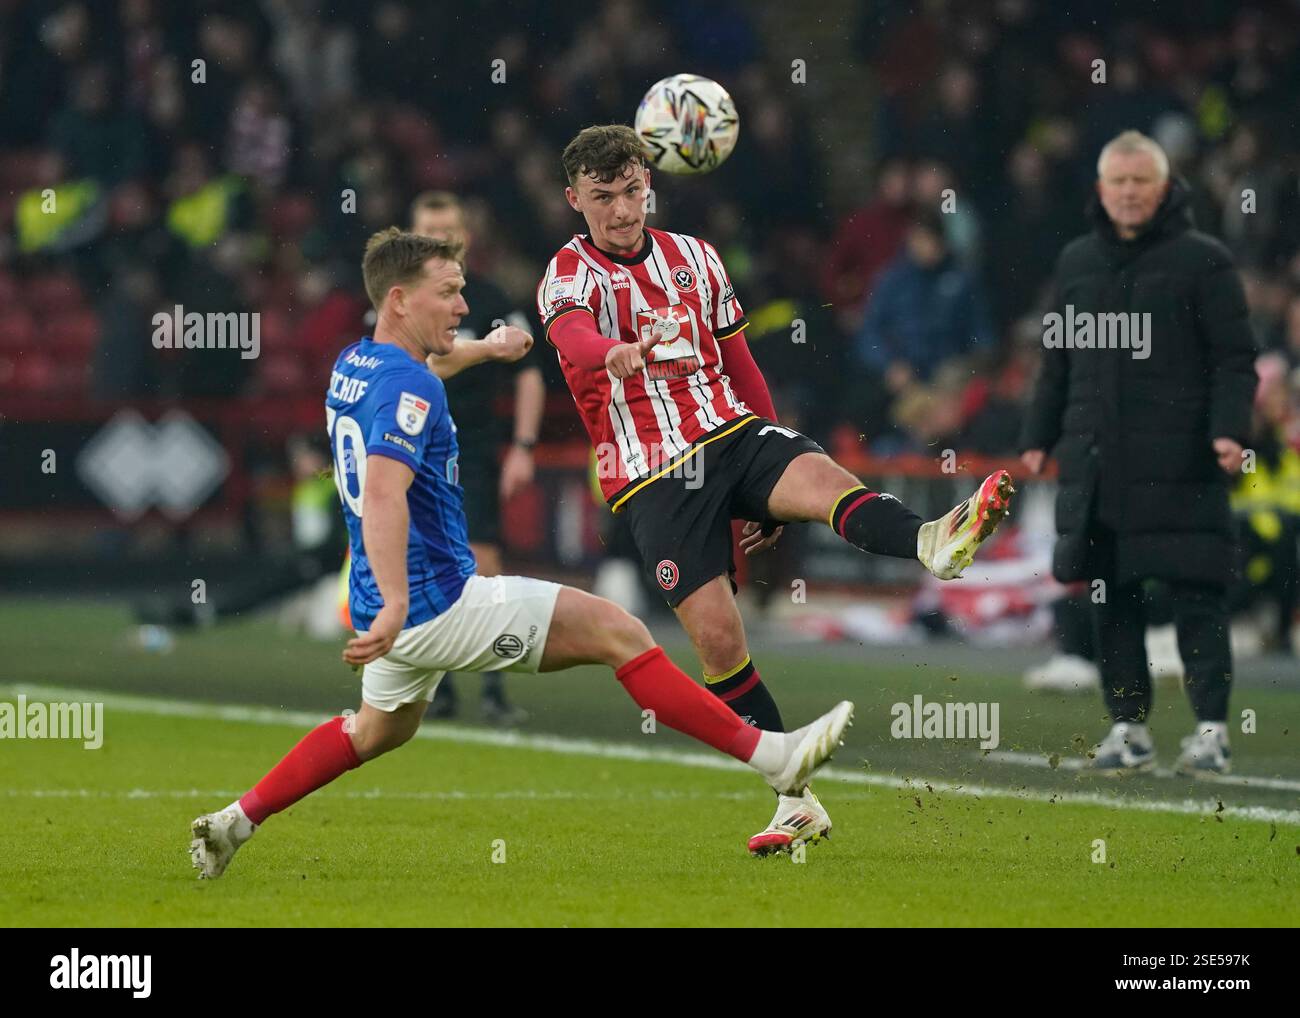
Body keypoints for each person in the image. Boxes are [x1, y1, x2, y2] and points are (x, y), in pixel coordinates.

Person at [188, 228, 854, 878]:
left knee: (375, 731)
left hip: (380, 606)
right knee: (620, 632)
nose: (463, 305)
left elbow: (424, 368)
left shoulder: (355, 364)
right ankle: (776, 757)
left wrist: (486, 349)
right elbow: (387, 496)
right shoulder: (410, 389)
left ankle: (234, 822)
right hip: (437, 600)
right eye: (448, 293)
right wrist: (398, 603)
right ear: (398, 299)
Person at [538, 125, 1015, 855]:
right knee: (722, 645)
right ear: (576, 199)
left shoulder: (696, 257)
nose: (623, 211)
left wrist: (766, 466)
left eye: (632, 191)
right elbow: (573, 339)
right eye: (604, 198)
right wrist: (617, 352)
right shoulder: (568, 274)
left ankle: (932, 541)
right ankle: (795, 803)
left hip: (731, 432)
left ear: (649, 185)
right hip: (651, 475)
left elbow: (741, 363)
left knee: (822, 477)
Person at [1020, 130, 1257, 776]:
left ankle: (1211, 732)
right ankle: (1129, 730)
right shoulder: (1076, 263)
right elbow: (1057, 362)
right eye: (1117, 182)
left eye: (1140, 181)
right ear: (1100, 189)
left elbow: (1235, 361)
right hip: (1100, 467)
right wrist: (1038, 437)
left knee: (1196, 596)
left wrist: (1231, 431)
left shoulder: (1203, 261)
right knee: (1110, 600)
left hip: (1183, 464)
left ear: (1164, 187)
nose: (1128, 193)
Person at [412, 191, 546, 726]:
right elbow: (417, 365)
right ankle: (437, 689)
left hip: (472, 448)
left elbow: (529, 369)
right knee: (425, 563)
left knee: (483, 564)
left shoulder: (488, 298)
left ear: (465, 237)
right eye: (430, 233)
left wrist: (525, 446)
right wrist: (486, 349)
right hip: (412, 445)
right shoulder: (400, 299)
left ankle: (493, 691)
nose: (441, 241)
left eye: (448, 233)